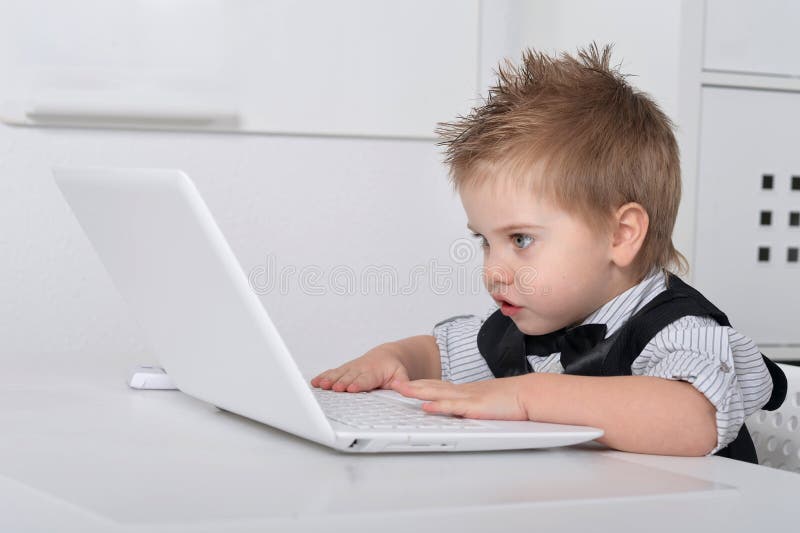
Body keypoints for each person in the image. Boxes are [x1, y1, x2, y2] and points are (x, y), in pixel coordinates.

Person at [311, 44, 785, 461]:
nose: (494, 270)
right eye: (484, 241)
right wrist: (393, 358)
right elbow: (441, 353)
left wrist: (526, 396)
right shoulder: (533, 323)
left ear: (621, 235)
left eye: (520, 240)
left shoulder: (679, 328)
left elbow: (693, 420)